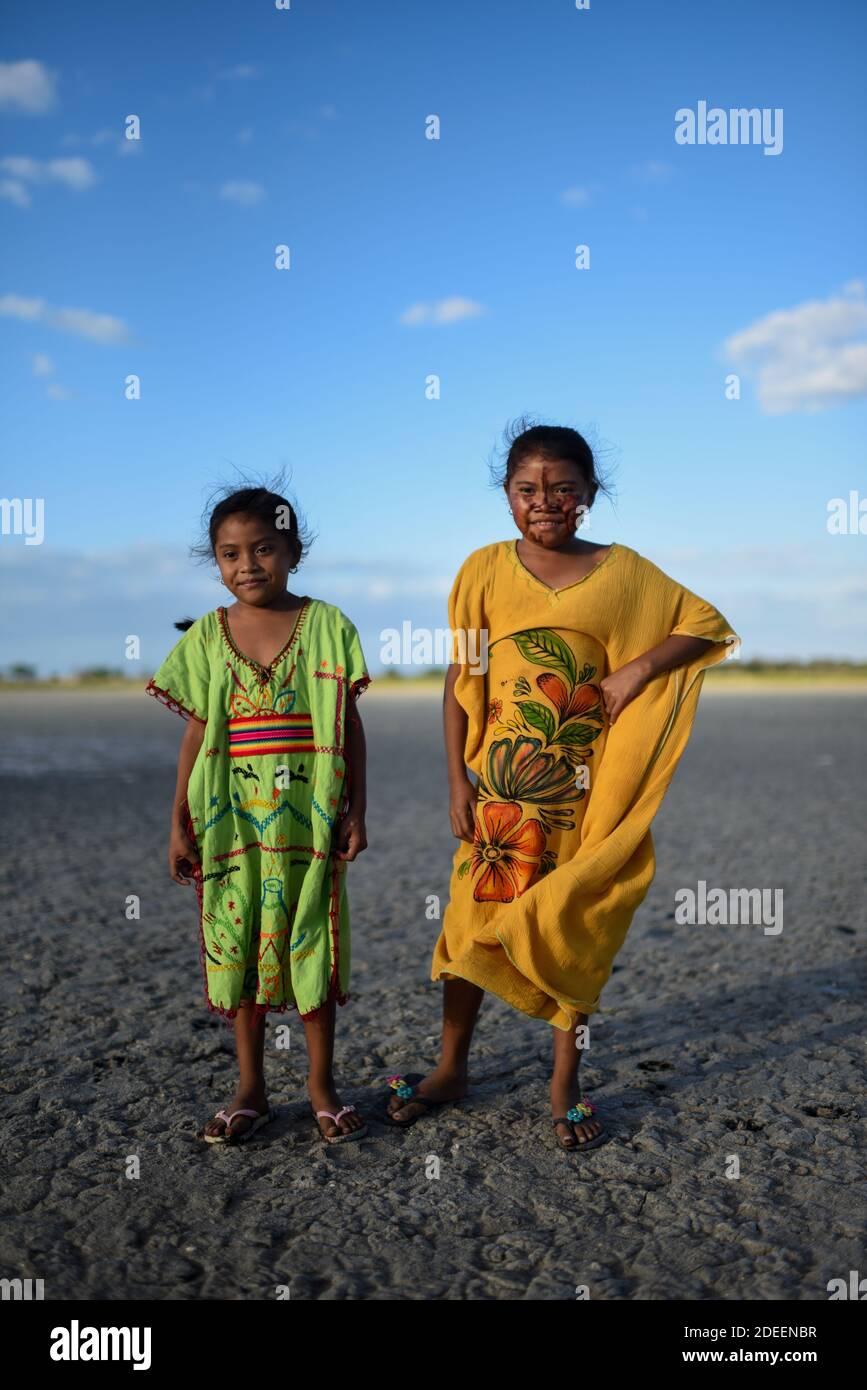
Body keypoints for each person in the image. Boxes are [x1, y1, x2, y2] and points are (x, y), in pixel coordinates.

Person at [386, 421, 740, 1152]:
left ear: (587, 495)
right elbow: (460, 680)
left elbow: (703, 626)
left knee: (573, 922)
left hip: (584, 790)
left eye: (561, 489)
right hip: (501, 793)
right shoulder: (482, 570)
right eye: (526, 489)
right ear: (507, 494)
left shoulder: (626, 572)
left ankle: (564, 1082)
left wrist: (636, 668)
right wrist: (455, 779)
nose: (543, 502)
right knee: (468, 923)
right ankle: (451, 1067)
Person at [146, 485, 371, 1144]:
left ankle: (320, 1084)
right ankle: (250, 1087)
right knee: (239, 946)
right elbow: (196, 734)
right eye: (229, 553)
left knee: (312, 944)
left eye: (263, 549)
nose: (247, 565)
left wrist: (357, 807)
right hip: (230, 822)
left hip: (309, 819)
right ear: (215, 561)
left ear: (292, 551)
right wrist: (177, 821)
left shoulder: (328, 626)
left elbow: (347, 724)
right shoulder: (208, 637)